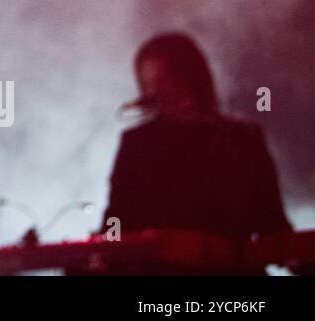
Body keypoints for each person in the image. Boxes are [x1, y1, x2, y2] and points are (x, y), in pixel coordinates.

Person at [101, 33, 292, 245]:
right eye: (150, 85)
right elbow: (115, 224)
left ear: (192, 79)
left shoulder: (242, 139)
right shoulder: (136, 145)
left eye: (166, 82)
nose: (157, 93)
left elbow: (273, 225)